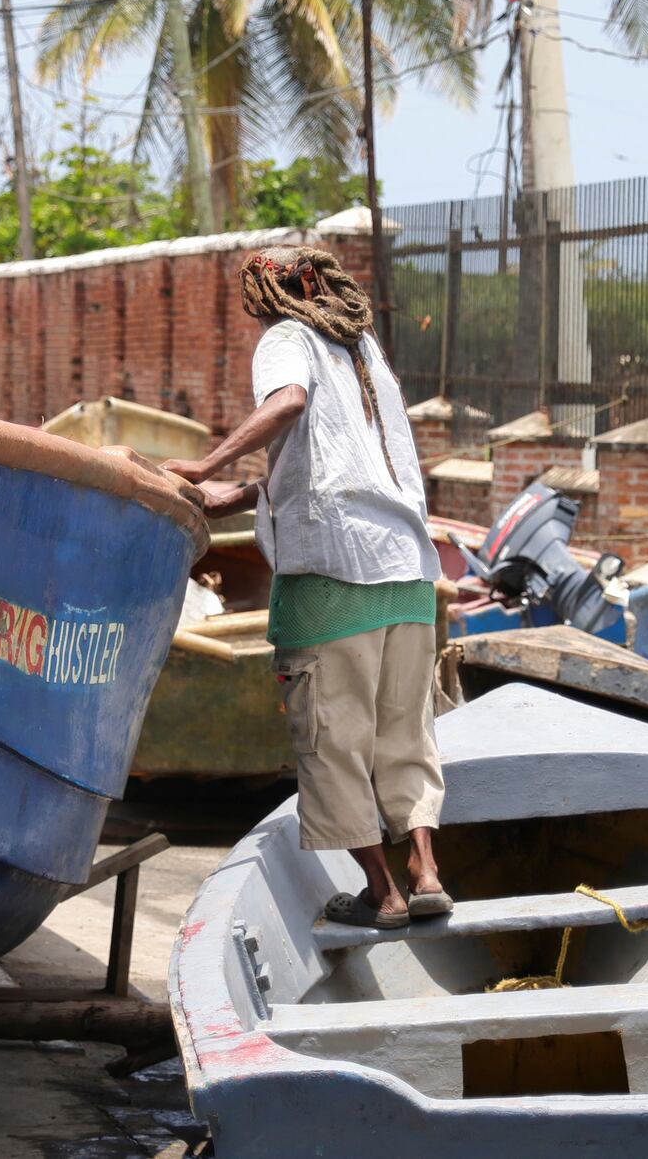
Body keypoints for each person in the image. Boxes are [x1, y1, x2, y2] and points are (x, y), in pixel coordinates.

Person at [164, 247, 449, 929]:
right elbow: (325, 471)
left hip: (332, 579)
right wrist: (225, 496)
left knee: (333, 744)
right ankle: (426, 870)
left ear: (270, 294)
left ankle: (381, 894)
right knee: (404, 736)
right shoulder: (363, 351)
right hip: (409, 572)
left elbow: (289, 404)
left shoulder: (286, 339)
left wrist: (204, 460)